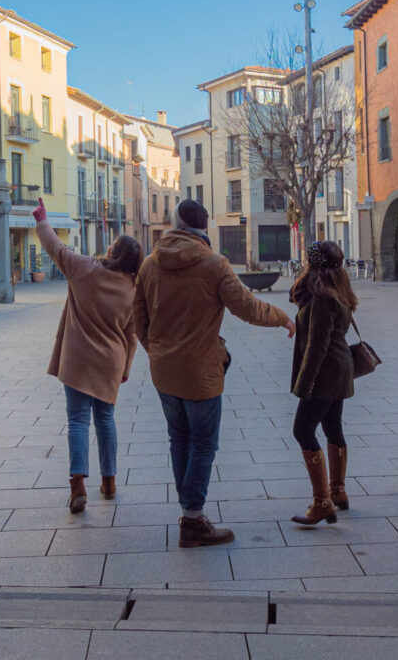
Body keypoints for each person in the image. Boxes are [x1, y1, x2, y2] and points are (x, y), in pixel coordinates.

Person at [134, 197, 293, 547]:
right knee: (203, 443)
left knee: (179, 439)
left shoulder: (149, 265)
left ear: (176, 223)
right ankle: (192, 519)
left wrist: (158, 351)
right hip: (201, 371)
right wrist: (282, 318)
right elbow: (247, 308)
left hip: (164, 370)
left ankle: (189, 511)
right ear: (204, 227)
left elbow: (138, 319)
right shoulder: (214, 264)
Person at [33, 199, 141, 513]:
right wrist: (126, 366)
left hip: (77, 359)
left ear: (113, 252)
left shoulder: (84, 268)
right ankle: (108, 482)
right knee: (105, 420)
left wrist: (42, 218)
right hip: (111, 360)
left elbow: (55, 248)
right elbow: (132, 335)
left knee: (77, 421)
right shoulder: (131, 289)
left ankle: (77, 485)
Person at [287, 239, 356, 527]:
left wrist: (305, 384)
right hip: (340, 370)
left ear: (313, 264)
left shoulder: (320, 296)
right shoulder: (337, 289)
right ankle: (337, 491)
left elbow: (317, 345)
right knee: (332, 427)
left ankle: (322, 501)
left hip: (325, 372)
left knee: (303, 430)